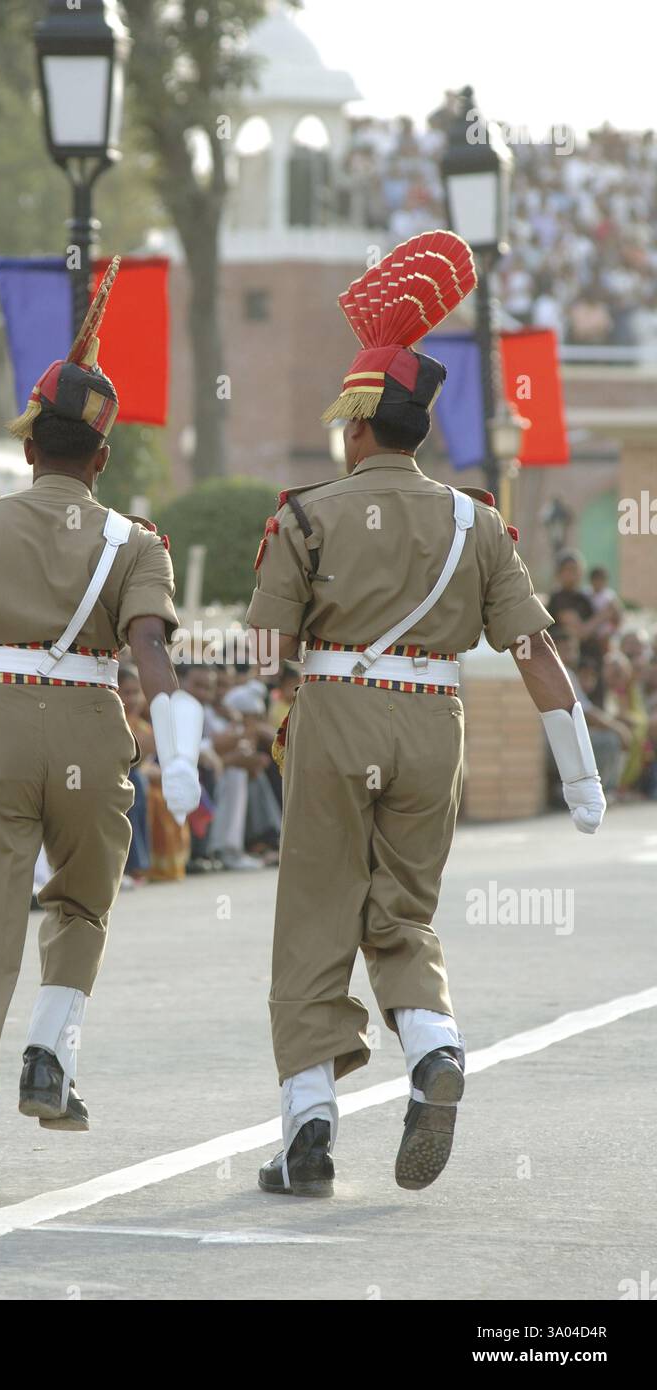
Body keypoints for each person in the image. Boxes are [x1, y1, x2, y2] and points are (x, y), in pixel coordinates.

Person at [247, 230, 606, 1199]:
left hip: (338, 716)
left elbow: (267, 652)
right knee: (402, 914)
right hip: (432, 723)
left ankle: (310, 1126)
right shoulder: (478, 520)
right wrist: (579, 771)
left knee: (315, 917)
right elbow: (535, 650)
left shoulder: (308, 514)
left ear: (361, 424)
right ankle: (434, 1044)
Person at [0, 258, 203, 1204]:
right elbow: (152, 649)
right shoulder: (140, 542)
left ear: (31, 445)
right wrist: (181, 743)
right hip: (91, 726)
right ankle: (51, 1043)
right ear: (103, 458)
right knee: (83, 898)